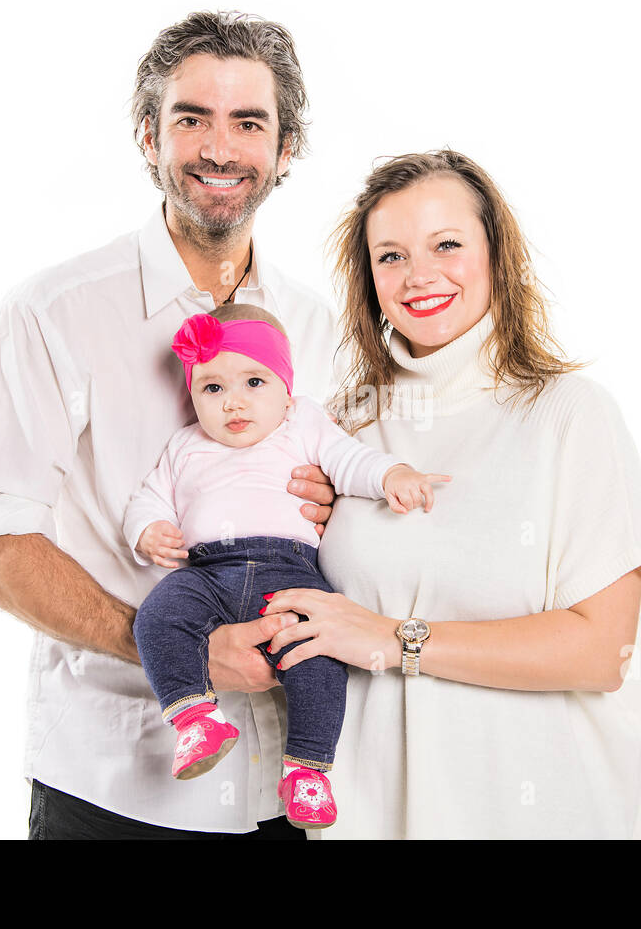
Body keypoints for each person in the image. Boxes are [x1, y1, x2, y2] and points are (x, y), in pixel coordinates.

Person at [0, 11, 341, 839]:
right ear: (147, 134)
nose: (219, 148)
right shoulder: (52, 316)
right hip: (111, 790)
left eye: (249, 122)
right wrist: (174, 650)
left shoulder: (323, 327)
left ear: (286, 147)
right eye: (191, 117)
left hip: (288, 794)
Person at [259, 150, 641, 839]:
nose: (419, 275)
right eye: (390, 256)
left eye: (446, 244)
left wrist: (396, 640)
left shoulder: (569, 415)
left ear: (496, 254)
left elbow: (604, 653)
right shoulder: (341, 429)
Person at [125, 305, 449, 828]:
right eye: (211, 388)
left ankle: (308, 771)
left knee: (317, 657)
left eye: (254, 381)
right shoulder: (184, 445)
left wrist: (391, 474)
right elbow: (147, 499)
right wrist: (146, 532)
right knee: (156, 617)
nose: (233, 402)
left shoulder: (303, 423)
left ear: (286, 388)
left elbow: (349, 459)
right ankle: (194, 718)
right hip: (206, 572)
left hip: (288, 573)